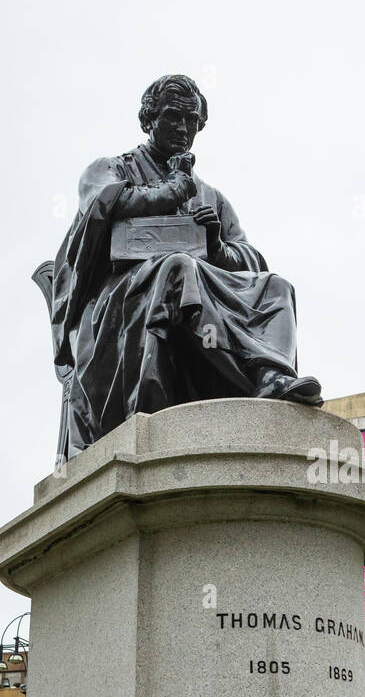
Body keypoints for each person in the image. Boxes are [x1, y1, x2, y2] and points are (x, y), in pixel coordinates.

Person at [47, 73, 322, 459]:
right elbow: (104, 205)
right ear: (149, 120)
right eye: (172, 117)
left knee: (277, 286)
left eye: (191, 121)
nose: (182, 128)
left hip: (195, 286)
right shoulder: (109, 169)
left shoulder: (211, 195)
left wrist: (215, 245)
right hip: (121, 303)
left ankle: (269, 376)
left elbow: (249, 259)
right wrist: (172, 191)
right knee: (179, 268)